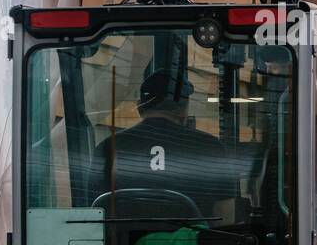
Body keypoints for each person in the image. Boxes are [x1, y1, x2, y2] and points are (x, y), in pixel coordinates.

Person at [92, 66, 241, 223]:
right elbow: (224, 214)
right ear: (183, 109)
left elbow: (95, 208)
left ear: (140, 107)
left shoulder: (108, 147)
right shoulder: (211, 147)